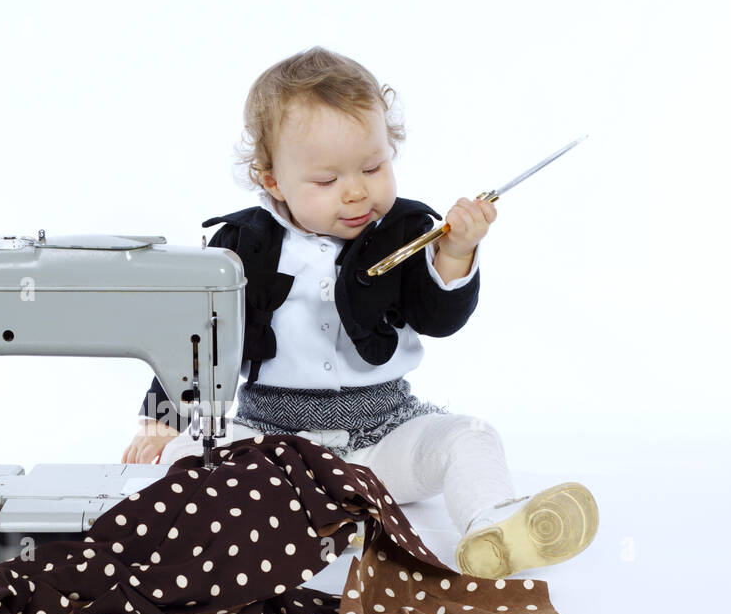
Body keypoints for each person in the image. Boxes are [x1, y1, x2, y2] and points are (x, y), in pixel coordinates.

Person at [121, 46, 596, 579]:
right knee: (185, 455)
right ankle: (202, 539)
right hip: (273, 446)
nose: (356, 192)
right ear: (272, 179)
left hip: (385, 437)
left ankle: (493, 525)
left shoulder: (408, 232)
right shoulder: (239, 246)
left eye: (373, 167)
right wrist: (163, 419)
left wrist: (456, 254)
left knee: (470, 436)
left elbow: (438, 318)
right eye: (327, 181)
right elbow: (197, 337)